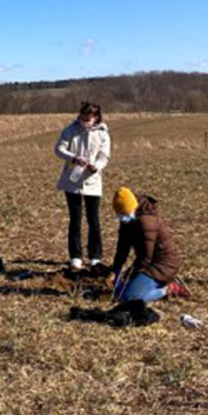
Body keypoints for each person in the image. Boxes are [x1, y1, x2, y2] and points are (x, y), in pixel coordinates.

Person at [54, 102, 111, 271]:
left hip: (93, 182)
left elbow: (104, 156)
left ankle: (95, 257)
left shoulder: (103, 134)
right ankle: (75, 257)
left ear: (96, 117)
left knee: (94, 220)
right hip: (72, 182)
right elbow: (59, 149)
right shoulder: (70, 129)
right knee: (75, 220)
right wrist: (74, 158)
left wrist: (96, 166)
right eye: (83, 116)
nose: (85, 120)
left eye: (89, 117)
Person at [110, 187, 186, 302]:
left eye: (124, 213)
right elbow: (122, 248)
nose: (121, 217)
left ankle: (168, 289)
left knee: (130, 298)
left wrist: (127, 276)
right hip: (148, 264)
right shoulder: (127, 219)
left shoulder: (147, 222)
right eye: (119, 214)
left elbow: (145, 257)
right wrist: (116, 270)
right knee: (119, 293)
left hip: (163, 265)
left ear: (132, 208)